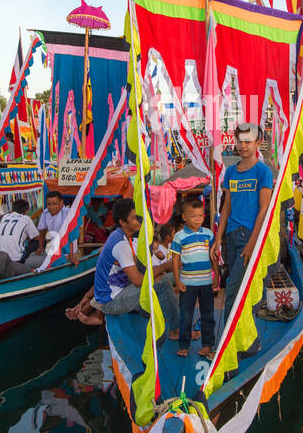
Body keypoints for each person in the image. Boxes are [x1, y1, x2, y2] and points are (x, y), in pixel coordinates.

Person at [74, 197, 180, 330]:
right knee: (163, 281)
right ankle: (176, 330)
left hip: (109, 295)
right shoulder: (121, 244)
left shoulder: (118, 237)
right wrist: (164, 266)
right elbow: (138, 281)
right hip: (112, 302)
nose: (140, 221)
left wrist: (86, 296)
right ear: (123, 222)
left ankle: (149, 313)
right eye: (136, 218)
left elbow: (106, 274)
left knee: (155, 276)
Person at [214, 122, 274, 320]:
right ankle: (242, 332)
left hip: (249, 235)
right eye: (240, 141)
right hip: (231, 235)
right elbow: (226, 207)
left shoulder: (262, 172)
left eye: (248, 141)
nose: (243, 146)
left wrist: (252, 243)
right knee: (237, 284)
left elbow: (264, 209)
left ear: (258, 143)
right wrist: (218, 238)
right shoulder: (231, 172)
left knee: (232, 288)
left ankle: (229, 339)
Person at [171, 197, 216, 359]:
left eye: (200, 216)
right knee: (186, 315)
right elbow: (175, 260)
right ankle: (184, 345)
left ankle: (207, 345)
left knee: (208, 314)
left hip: (206, 282)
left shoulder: (209, 234)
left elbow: (213, 256)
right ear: (184, 217)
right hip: (187, 283)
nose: (197, 219)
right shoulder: (179, 237)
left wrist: (216, 275)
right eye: (193, 216)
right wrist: (177, 280)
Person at [0, 198, 42, 282]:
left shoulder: (5, 216)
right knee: (36, 242)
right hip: (16, 259)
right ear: (27, 211)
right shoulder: (26, 219)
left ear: (12, 209)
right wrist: (38, 247)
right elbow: (37, 238)